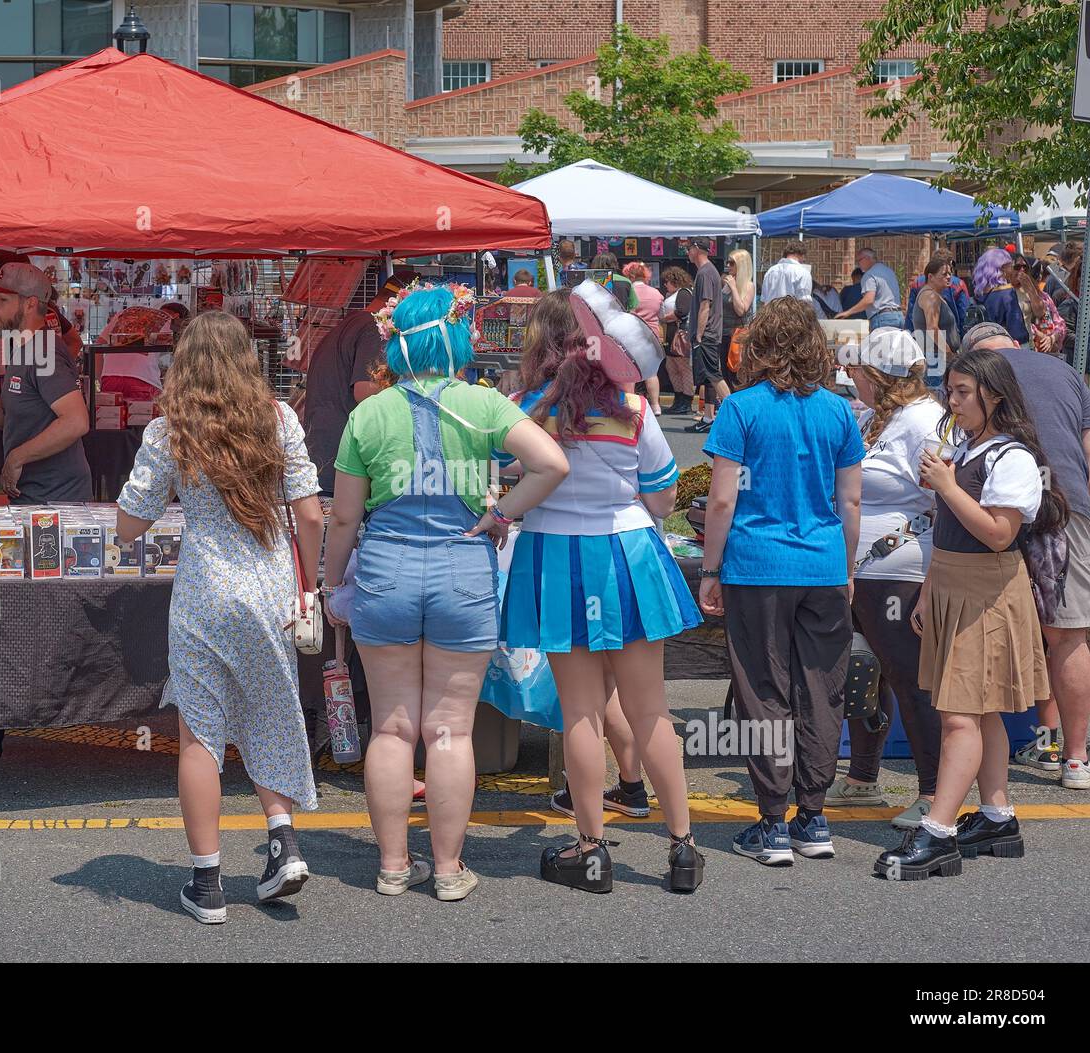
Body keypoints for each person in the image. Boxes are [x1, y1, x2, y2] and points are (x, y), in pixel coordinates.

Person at [323, 283, 568, 901]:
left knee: (392, 730)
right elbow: (552, 464)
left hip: (386, 574)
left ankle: (392, 865)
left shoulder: (369, 414)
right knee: (451, 731)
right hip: (463, 573)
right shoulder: (481, 404)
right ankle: (451, 869)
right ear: (456, 341)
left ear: (397, 346)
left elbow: (346, 518)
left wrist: (330, 583)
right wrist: (503, 513)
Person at [115, 312, 323, 921]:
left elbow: (131, 523)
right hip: (267, 588)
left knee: (200, 736)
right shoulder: (278, 420)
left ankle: (207, 884)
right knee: (272, 709)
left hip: (203, 592)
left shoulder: (168, 432)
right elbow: (309, 516)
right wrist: (308, 584)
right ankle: (282, 842)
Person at [500, 288, 703, 894]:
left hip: (556, 555)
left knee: (580, 713)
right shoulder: (635, 411)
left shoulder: (527, 408)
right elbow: (663, 497)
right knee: (650, 712)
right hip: (630, 551)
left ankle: (592, 852)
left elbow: (500, 463)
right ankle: (683, 848)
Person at [876, 346, 1062, 879]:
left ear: (993, 396)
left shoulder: (1014, 457)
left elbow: (1000, 533)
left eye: (962, 393)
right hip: (956, 583)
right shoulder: (966, 445)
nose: (950, 402)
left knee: (958, 715)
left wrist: (948, 486)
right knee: (980, 712)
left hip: (988, 591)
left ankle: (938, 832)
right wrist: (932, 586)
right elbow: (947, 528)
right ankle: (998, 815)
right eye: (949, 391)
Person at [699, 296, 864, 867]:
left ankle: (771, 821)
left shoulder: (740, 409)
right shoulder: (840, 412)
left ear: (759, 347)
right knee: (822, 688)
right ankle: (813, 815)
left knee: (762, 689)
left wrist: (711, 570)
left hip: (757, 565)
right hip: (821, 564)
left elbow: (721, 500)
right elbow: (850, 499)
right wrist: (845, 568)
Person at [957, 322, 1090, 790]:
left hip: (993, 507)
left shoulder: (971, 375)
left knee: (1000, 626)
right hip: (1066, 507)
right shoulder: (1066, 373)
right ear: (1015, 344)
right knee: (1067, 635)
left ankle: (1024, 741)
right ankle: (1073, 756)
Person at [824, 328, 943, 828]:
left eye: (859, 372)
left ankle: (935, 791)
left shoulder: (925, 422)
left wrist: (932, 583)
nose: (851, 378)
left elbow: (945, 500)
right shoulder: (880, 416)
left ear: (881, 377)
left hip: (903, 570)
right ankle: (863, 776)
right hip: (865, 572)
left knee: (911, 679)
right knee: (864, 673)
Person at [0, 262, 92, 503]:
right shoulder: (22, 348)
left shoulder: (44, 351)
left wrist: (16, 458)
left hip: (57, 500)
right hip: (34, 496)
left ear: (30, 303)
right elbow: (7, 417)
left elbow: (76, 421)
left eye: (1, 301)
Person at [302, 270, 417, 496]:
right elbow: (365, 390)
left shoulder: (351, 323)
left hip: (327, 451)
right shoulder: (374, 328)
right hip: (342, 456)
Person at [100, 301, 187, 402]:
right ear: (177, 316)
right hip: (144, 380)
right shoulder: (170, 321)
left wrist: (100, 377)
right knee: (147, 415)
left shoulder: (124, 313)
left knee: (109, 416)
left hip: (109, 378)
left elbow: (99, 344)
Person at [683, 238, 726, 434]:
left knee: (714, 375)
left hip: (707, 333)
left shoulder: (705, 273)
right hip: (708, 333)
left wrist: (699, 335)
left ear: (697, 249)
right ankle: (708, 417)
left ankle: (733, 413)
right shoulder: (706, 272)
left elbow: (705, 306)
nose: (687, 252)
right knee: (708, 378)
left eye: (689, 248)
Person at [912, 257, 960, 386]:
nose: (949, 277)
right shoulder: (930, 296)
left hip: (935, 357)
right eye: (944, 274)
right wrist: (950, 354)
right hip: (935, 358)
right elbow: (932, 328)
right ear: (931, 277)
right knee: (937, 397)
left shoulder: (933, 295)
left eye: (950, 273)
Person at [624, 261, 665, 413]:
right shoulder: (656, 293)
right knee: (651, 372)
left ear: (631, 275)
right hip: (653, 335)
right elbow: (662, 315)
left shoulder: (629, 291)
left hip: (633, 334)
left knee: (631, 370)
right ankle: (656, 406)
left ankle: (632, 405)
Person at [903, 251, 970, 335]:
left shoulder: (917, 283)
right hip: (945, 340)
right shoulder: (958, 285)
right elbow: (964, 317)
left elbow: (910, 317)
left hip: (922, 340)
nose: (948, 276)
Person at [835, 247, 904, 328]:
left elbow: (868, 300)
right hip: (898, 316)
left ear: (867, 258)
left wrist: (848, 313)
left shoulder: (869, 275)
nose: (858, 264)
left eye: (859, 260)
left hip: (883, 319)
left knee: (880, 341)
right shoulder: (889, 271)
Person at [973, 246, 1029, 346]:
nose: (1011, 269)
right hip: (1004, 348)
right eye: (1010, 265)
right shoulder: (1007, 293)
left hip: (983, 347)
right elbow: (1017, 330)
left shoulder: (979, 294)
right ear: (1002, 268)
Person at [660, 266, 695, 416]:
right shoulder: (672, 294)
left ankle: (686, 401)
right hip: (671, 336)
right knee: (672, 367)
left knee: (683, 368)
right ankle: (678, 398)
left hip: (680, 335)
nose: (665, 284)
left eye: (667, 281)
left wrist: (664, 318)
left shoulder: (684, 293)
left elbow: (682, 311)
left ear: (675, 280)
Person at [720, 249, 754, 391]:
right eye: (727, 262)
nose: (728, 266)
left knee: (736, 375)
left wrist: (734, 288)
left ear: (742, 265)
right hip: (724, 334)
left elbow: (741, 310)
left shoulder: (748, 286)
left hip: (738, 336)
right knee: (725, 373)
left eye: (732, 263)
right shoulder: (727, 284)